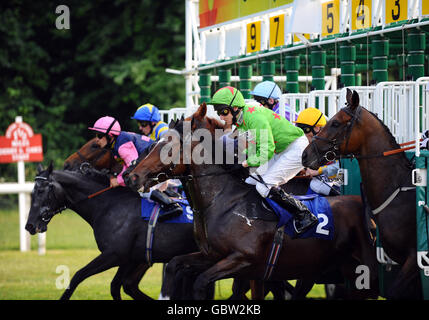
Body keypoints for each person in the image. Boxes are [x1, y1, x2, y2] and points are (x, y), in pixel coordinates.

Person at [210, 86, 318, 234]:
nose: (221, 117)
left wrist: (244, 163)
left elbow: (266, 150)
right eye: (219, 113)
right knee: (250, 181)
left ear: (235, 108)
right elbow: (255, 147)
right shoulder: (242, 120)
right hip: (280, 150)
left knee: (263, 187)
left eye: (223, 112)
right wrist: (239, 160)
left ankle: (304, 213)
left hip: (295, 149)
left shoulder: (253, 117)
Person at [88, 116, 182, 220]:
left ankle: (171, 206)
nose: (97, 139)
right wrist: (118, 178)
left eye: (100, 135)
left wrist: (118, 181)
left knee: (136, 184)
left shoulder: (122, 146)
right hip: (157, 161)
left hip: (161, 162)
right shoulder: (118, 142)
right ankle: (172, 197)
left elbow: (134, 169)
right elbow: (127, 166)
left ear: (110, 135)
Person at [294, 108, 341, 196]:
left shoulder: (334, 141)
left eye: (305, 130)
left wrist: (318, 171)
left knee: (315, 185)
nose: (303, 135)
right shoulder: (316, 142)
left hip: (342, 181)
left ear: (316, 128)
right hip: (326, 180)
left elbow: (342, 167)